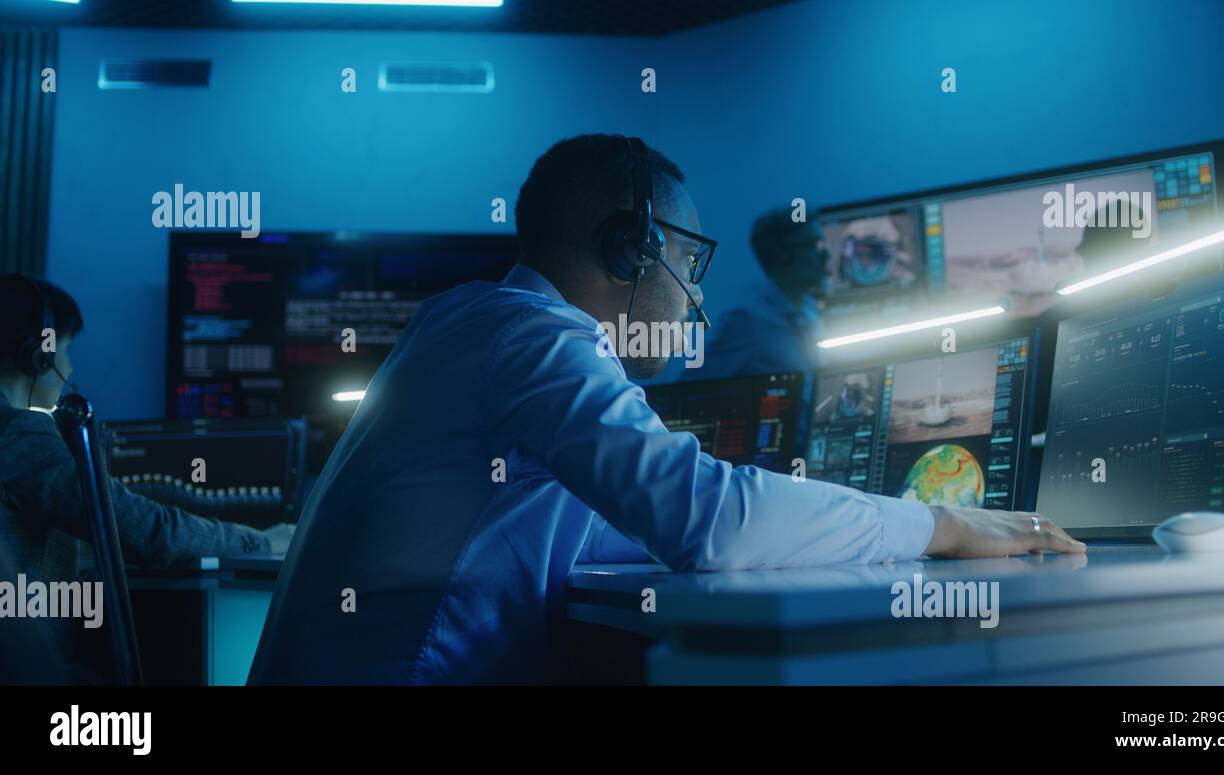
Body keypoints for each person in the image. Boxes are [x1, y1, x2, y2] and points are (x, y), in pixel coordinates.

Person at [249, 134, 1084, 686]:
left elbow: (632, 522)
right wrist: (939, 525)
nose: (697, 295)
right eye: (689, 259)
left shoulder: (462, 319)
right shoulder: (535, 340)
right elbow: (712, 522)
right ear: (629, 247)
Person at [0, 274, 294, 670]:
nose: (70, 366)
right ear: (39, 357)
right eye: (68, 350)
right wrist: (262, 542)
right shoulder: (19, 433)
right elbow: (152, 531)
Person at [678, 208, 827, 382]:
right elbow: (689, 387)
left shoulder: (811, 311)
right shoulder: (746, 321)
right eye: (812, 246)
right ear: (783, 255)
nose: (826, 254)